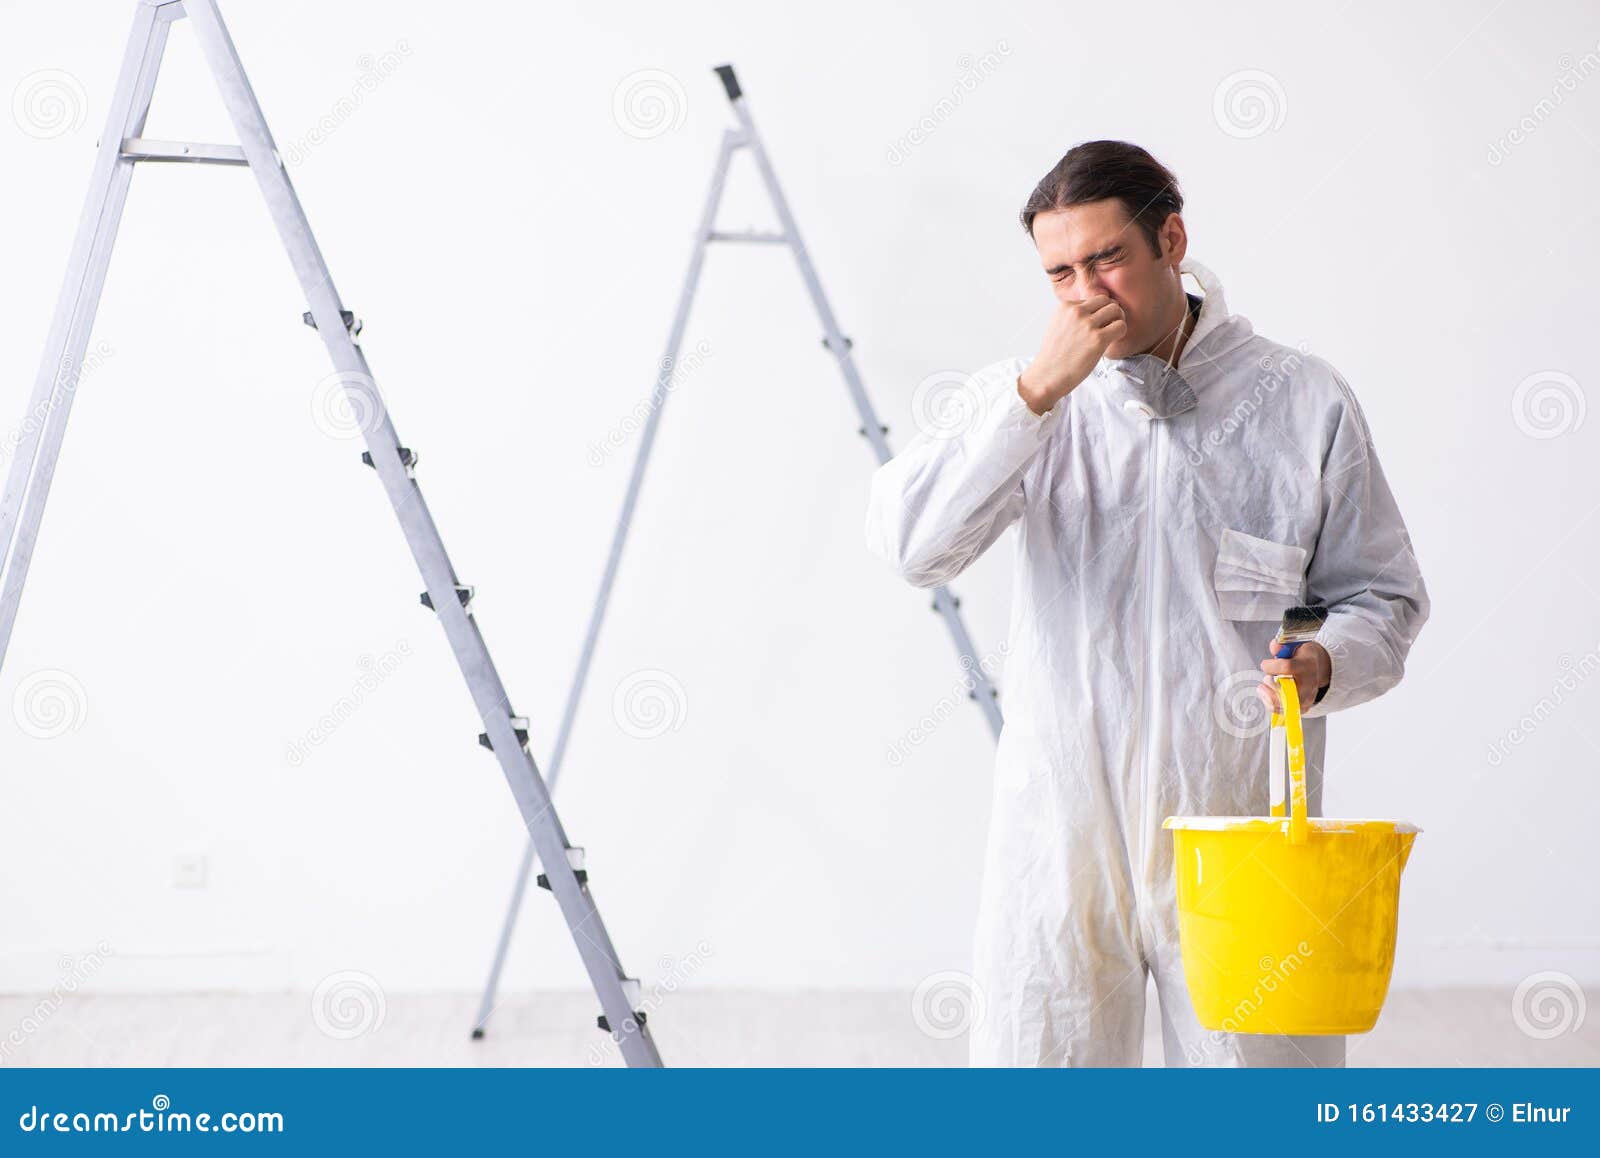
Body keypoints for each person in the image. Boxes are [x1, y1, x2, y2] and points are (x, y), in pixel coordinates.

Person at [864, 140, 1429, 1067]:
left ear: (1171, 238)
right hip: (1062, 836)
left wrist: (1328, 661)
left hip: (1239, 837)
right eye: (1060, 273)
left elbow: (1384, 594)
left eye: (1107, 260)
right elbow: (914, 548)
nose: (1086, 293)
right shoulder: (1033, 400)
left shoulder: (1301, 400)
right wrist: (1035, 396)